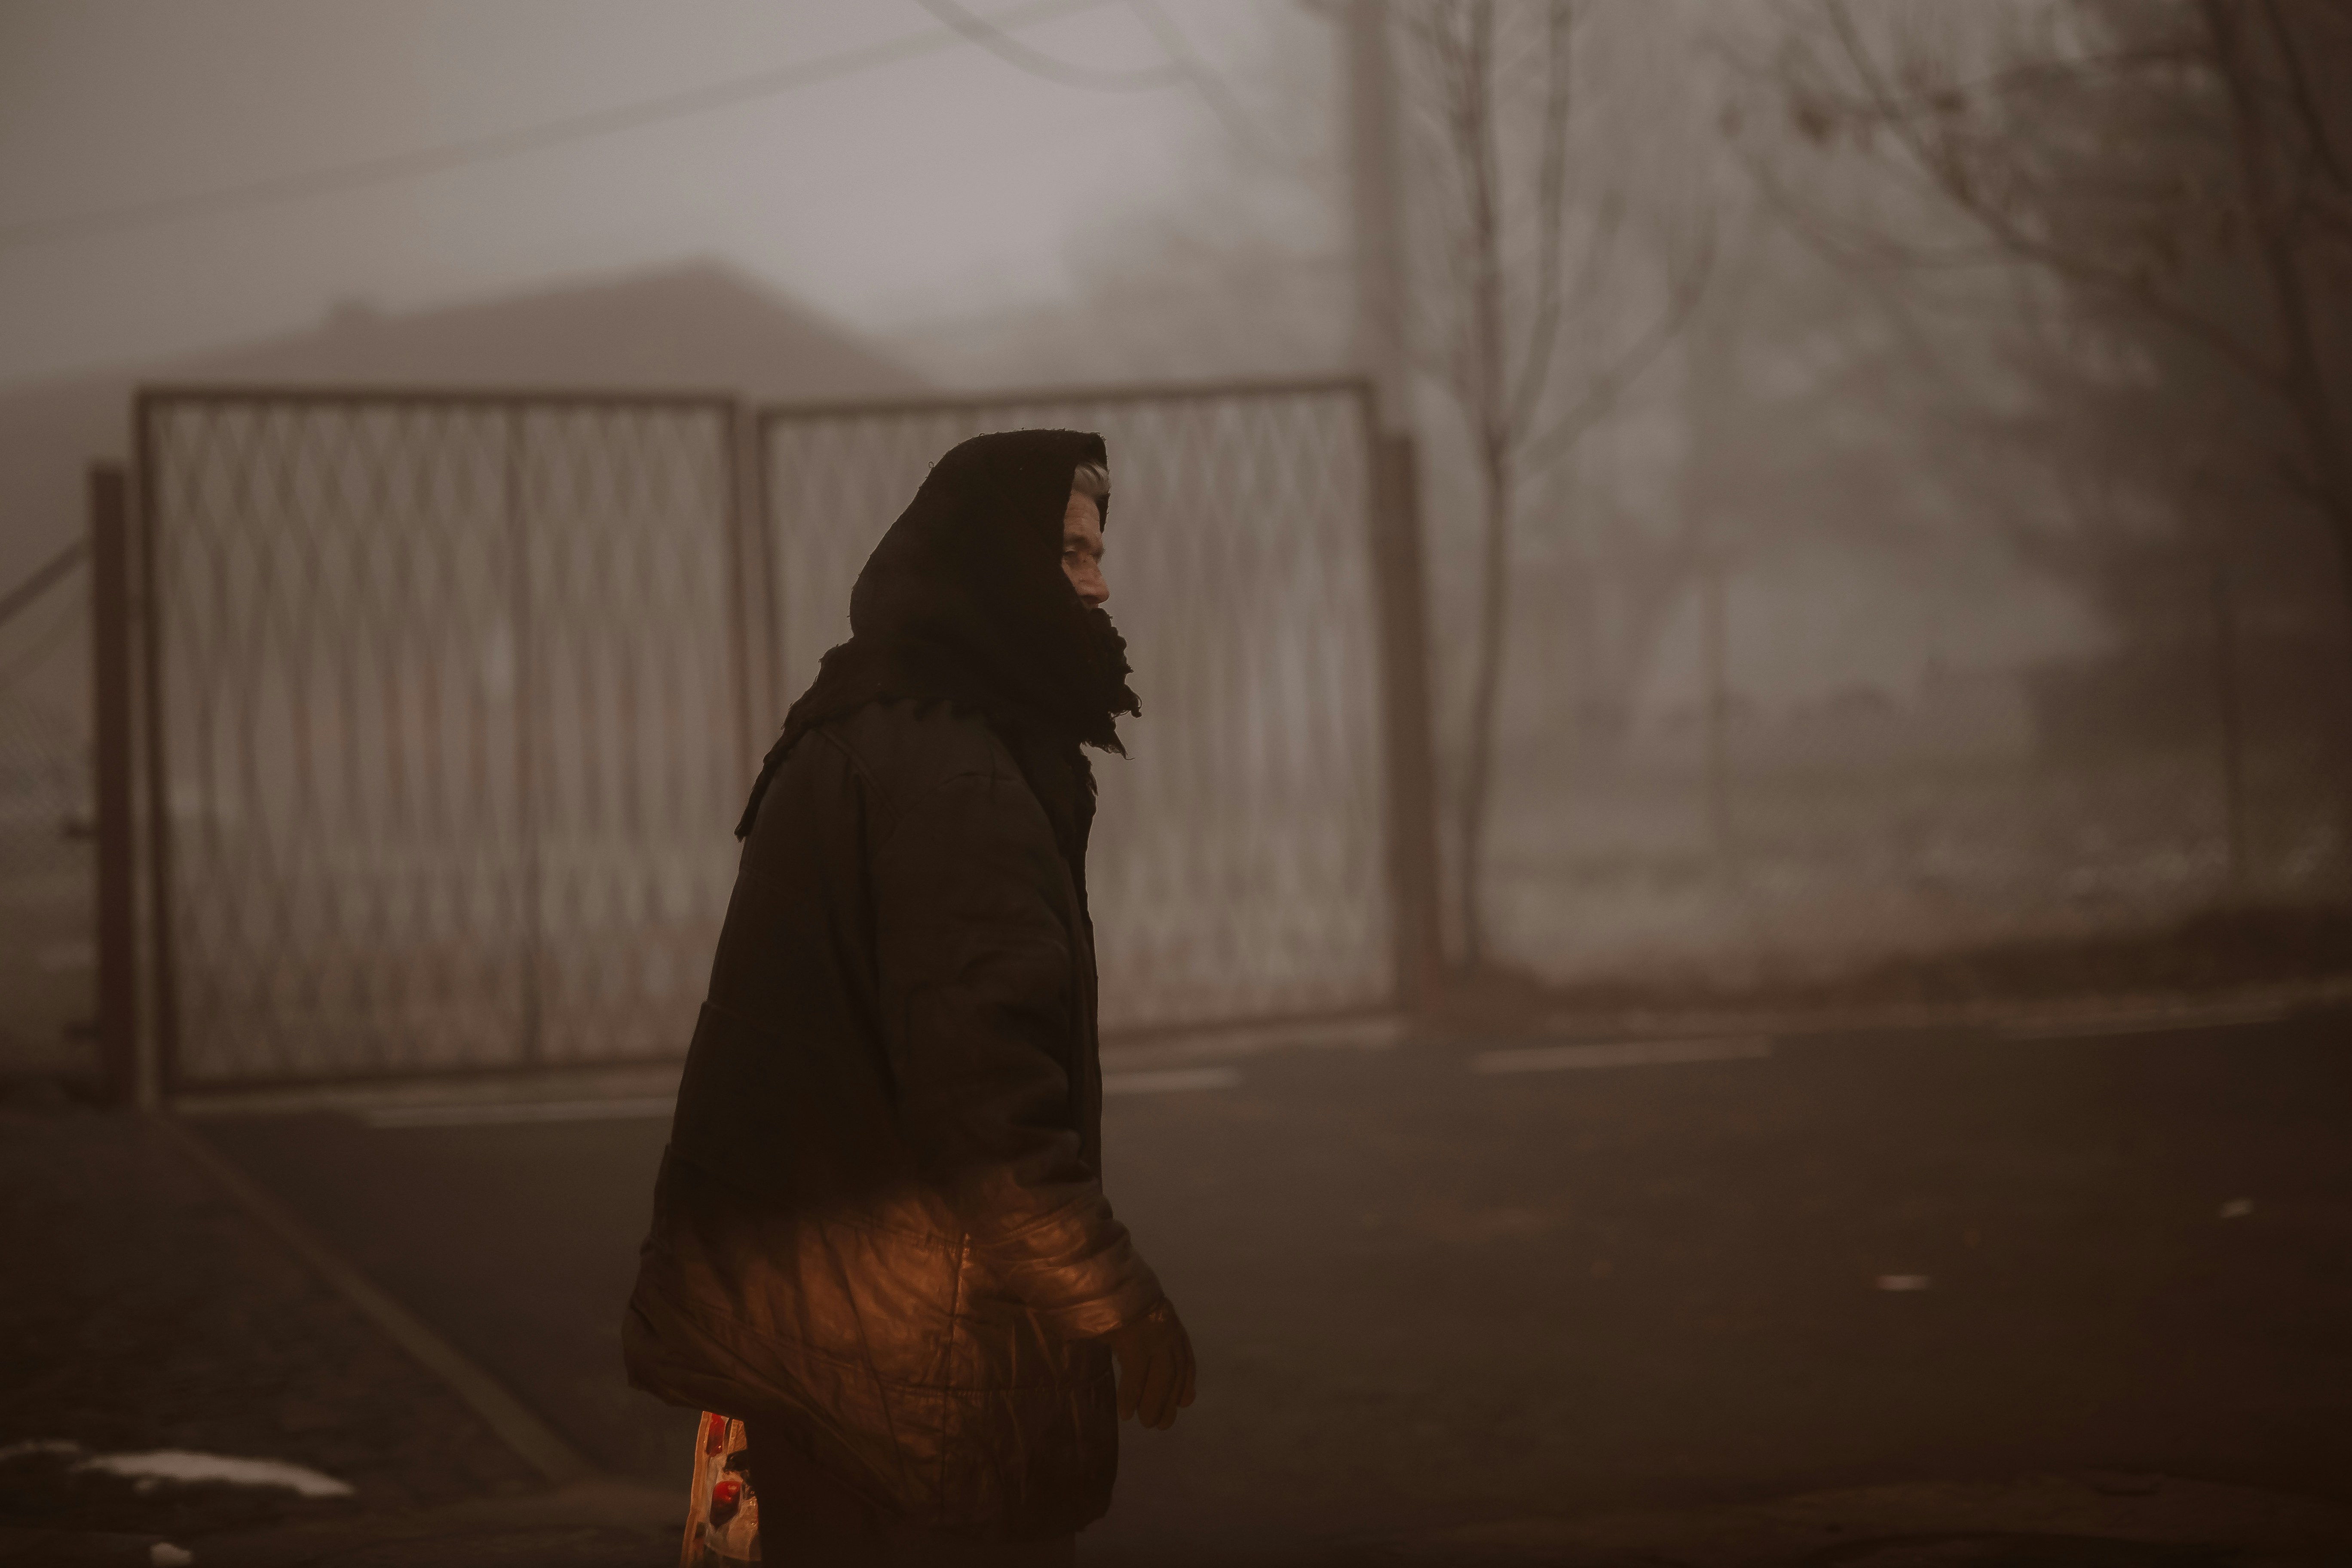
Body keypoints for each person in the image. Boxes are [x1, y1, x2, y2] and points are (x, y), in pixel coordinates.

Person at [624, 428, 1195, 1565]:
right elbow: (986, 1095)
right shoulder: (960, 775)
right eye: (1074, 555)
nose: (1101, 582)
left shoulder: (873, 727)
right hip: (904, 1372)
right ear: (999, 565)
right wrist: (1110, 1294)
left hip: (809, 1334)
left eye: (1099, 552)